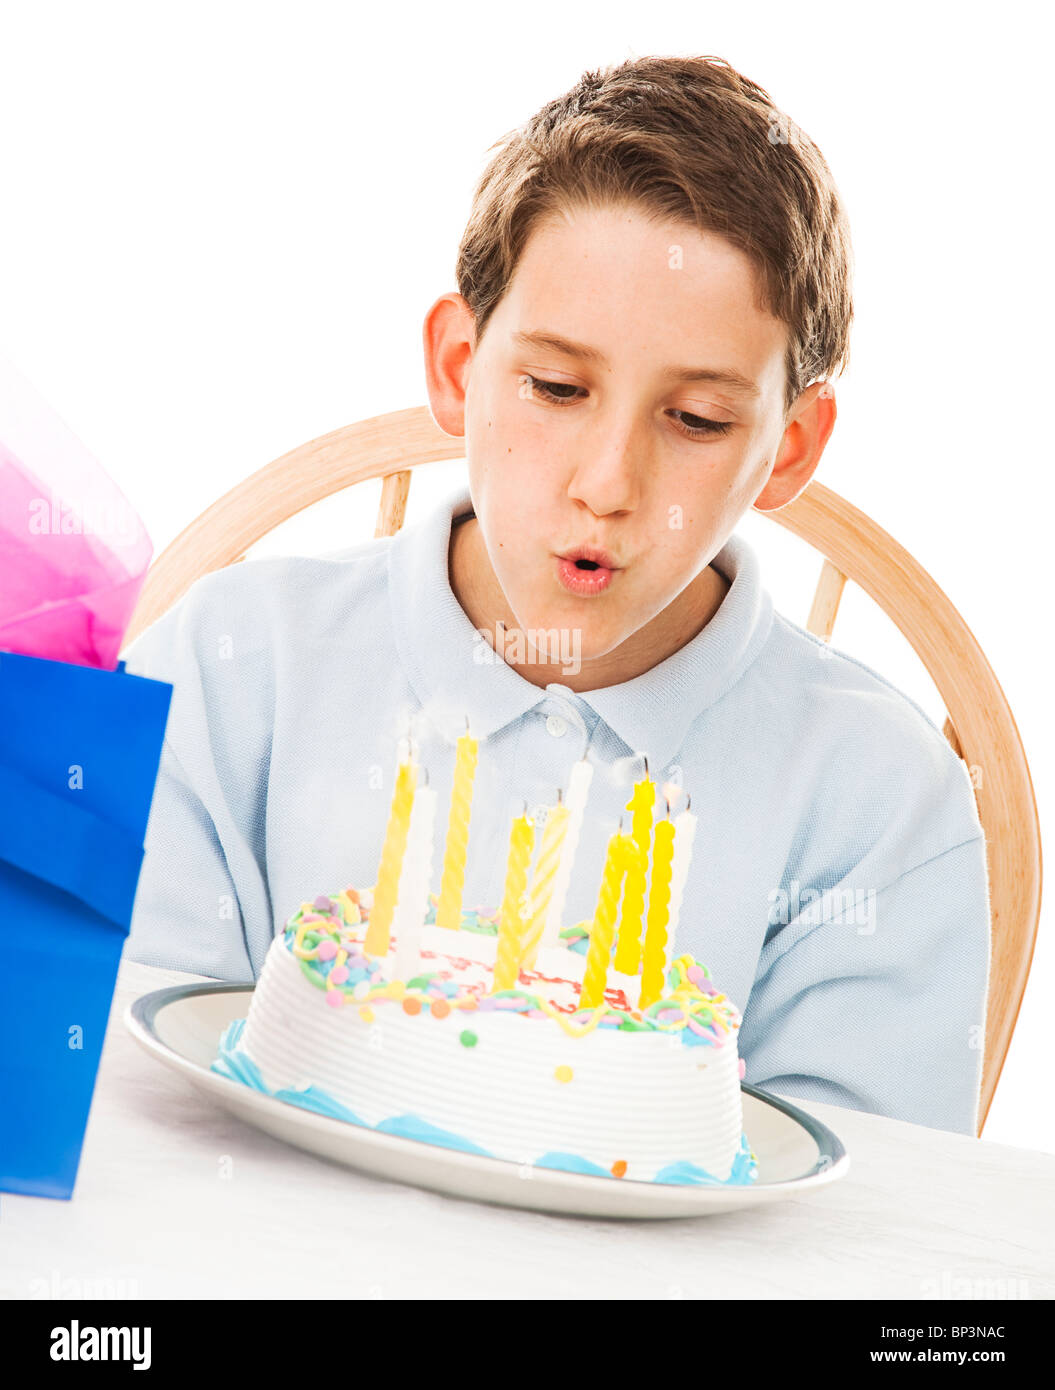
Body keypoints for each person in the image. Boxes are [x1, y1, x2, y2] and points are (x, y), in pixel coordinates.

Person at [123, 54, 990, 1135]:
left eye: (698, 420)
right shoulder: (225, 667)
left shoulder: (880, 801)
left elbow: (859, 1223)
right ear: (457, 363)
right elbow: (135, 1102)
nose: (605, 484)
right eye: (556, 388)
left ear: (788, 447)